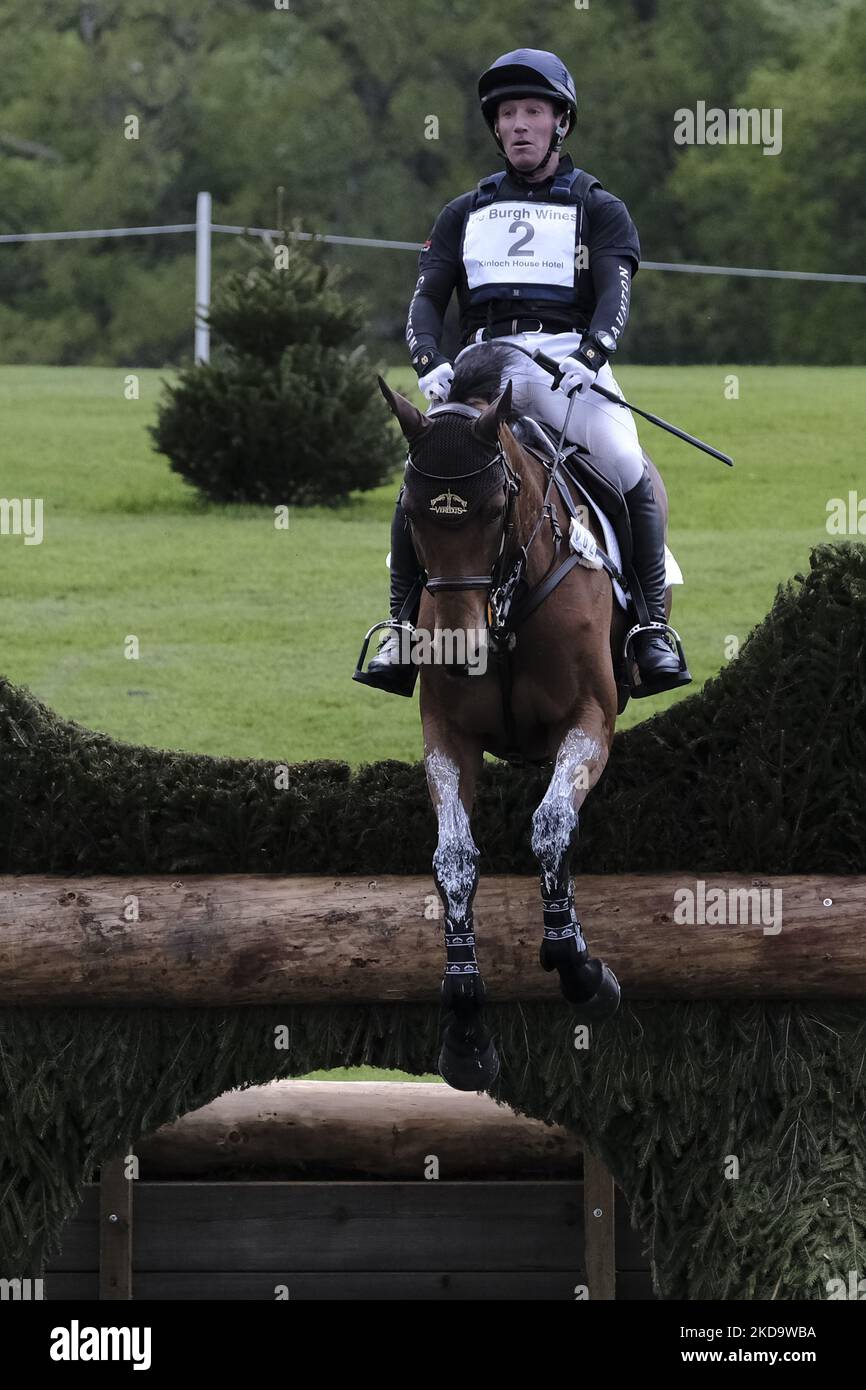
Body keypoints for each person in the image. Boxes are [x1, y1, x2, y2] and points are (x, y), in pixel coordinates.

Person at [364, 47, 689, 695]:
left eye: (532, 112)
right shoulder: (462, 212)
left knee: (628, 467)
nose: (517, 124)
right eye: (508, 113)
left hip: (567, 363)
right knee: (421, 479)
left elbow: (614, 293)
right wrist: (430, 364)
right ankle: (401, 631)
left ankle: (650, 629)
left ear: (559, 123)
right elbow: (426, 300)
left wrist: (591, 357)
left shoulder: (598, 207)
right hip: (478, 370)